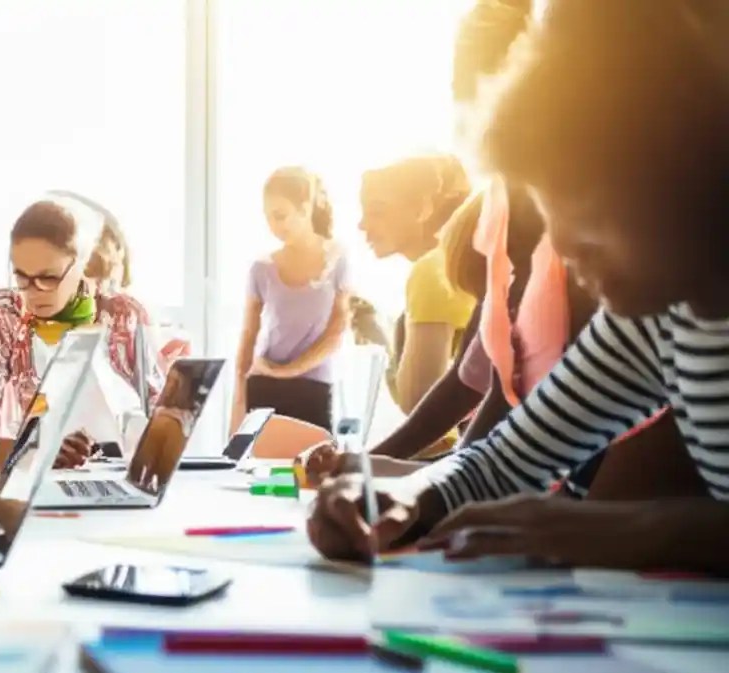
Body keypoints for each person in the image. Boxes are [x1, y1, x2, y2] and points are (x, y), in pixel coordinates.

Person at [308, 0, 729, 573]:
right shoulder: (656, 319)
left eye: (583, 208)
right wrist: (408, 498)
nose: (565, 246)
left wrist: (628, 529)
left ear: (677, 169)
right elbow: (502, 462)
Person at [0, 195, 161, 467]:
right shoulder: (2, 311)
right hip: (27, 481)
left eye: (49, 278)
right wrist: (35, 451)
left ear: (85, 266)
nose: (33, 293)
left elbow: (158, 418)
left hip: (113, 475)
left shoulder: (124, 315)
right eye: (22, 277)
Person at [234, 167, 350, 430]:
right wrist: (237, 415)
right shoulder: (261, 268)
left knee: (315, 467)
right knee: (257, 468)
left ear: (306, 208)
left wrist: (287, 372)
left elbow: (336, 334)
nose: (274, 226)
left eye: (281, 216)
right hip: (264, 386)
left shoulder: (338, 259)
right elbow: (247, 340)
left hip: (315, 387)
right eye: (268, 218)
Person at [360, 154, 475, 417]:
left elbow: (420, 405)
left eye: (377, 210)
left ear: (423, 208)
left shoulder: (432, 272)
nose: (363, 224)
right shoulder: (459, 264)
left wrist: (378, 339)